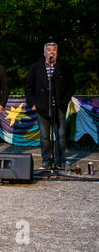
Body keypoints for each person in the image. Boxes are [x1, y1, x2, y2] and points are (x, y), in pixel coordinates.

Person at [25, 42, 75, 170]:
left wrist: (65, 101)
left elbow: (71, 86)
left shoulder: (64, 68)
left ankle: (60, 161)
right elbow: (28, 87)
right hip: (42, 108)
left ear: (57, 53)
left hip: (60, 107)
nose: (51, 52)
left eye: (53, 50)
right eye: (48, 50)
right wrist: (32, 103)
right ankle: (47, 160)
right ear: (44, 53)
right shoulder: (35, 68)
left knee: (61, 136)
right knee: (45, 137)